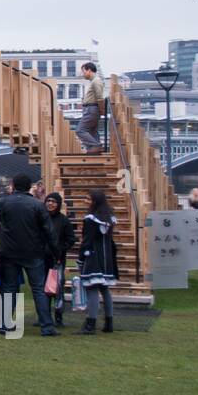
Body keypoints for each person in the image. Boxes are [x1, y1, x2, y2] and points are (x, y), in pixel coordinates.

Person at [0, 173, 59, 336]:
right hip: (33, 252)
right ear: (29, 187)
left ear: (13, 185)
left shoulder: (4, 202)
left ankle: (5, 324)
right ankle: (46, 326)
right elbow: (49, 231)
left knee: (9, 288)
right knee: (38, 289)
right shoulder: (37, 205)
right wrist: (56, 252)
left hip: (9, 252)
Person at [77, 189, 119, 334]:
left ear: (94, 201)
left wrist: (80, 258)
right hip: (107, 257)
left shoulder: (91, 219)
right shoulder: (109, 218)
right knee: (105, 289)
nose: (85, 201)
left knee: (92, 288)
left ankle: (91, 324)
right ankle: (109, 323)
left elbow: (86, 241)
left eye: (88, 199)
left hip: (93, 256)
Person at [44, 192, 76, 327]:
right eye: (48, 201)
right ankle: (44, 316)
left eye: (54, 202)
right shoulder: (41, 218)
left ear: (58, 204)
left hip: (57, 260)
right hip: (41, 259)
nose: (50, 204)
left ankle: (58, 317)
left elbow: (71, 239)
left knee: (57, 288)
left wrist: (60, 249)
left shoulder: (64, 220)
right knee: (42, 288)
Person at [75, 62, 105, 154]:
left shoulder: (96, 81)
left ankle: (95, 146)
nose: (83, 74)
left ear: (89, 70)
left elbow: (99, 97)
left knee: (80, 130)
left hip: (91, 109)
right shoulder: (95, 81)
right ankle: (96, 148)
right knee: (92, 131)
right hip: (92, 109)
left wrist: (101, 110)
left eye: (84, 71)